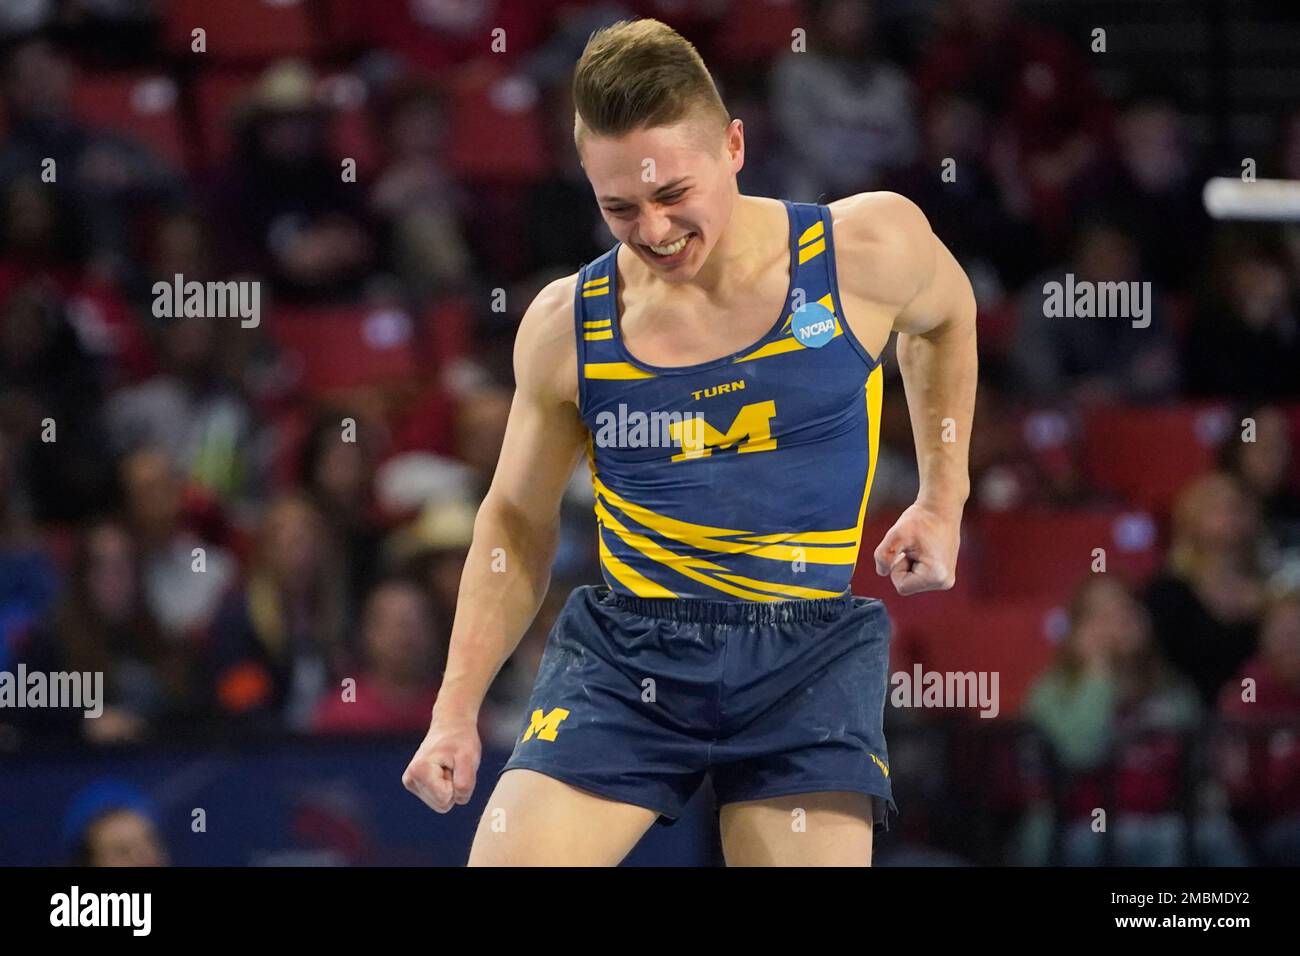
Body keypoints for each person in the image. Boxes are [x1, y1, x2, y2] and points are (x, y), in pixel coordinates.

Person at [402, 18, 977, 867]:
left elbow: (946, 320)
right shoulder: (570, 325)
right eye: (620, 208)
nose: (656, 230)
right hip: (629, 657)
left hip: (804, 656)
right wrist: (455, 709)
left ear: (735, 146)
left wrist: (942, 497)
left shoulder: (862, 248)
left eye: (674, 194)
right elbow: (515, 522)